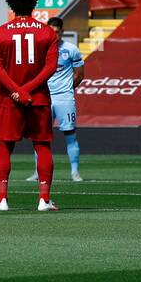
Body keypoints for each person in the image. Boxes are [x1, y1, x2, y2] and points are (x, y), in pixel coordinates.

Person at [0, 0, 60, 212]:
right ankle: (44, 199)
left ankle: (2, 199)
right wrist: (28, 90)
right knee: (42, 146)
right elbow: (51, 67)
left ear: (10, 4)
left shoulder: (0, 33)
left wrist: (17, 91)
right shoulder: (47, 32)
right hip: (38, 99)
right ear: (34, 2)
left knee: (4, 147)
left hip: (10, 100)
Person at [28, 16, 83, 183]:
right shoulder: (39, 49)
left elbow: (80, 74)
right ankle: (38, 172)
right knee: (40, 136)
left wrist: (66, 89)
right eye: (51, 32)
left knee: (70, 134)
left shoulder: (71, 49)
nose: (54, 35)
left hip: (64, 98)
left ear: (62, 32)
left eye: (57, 32)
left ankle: (75, 172)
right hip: (44, 97)